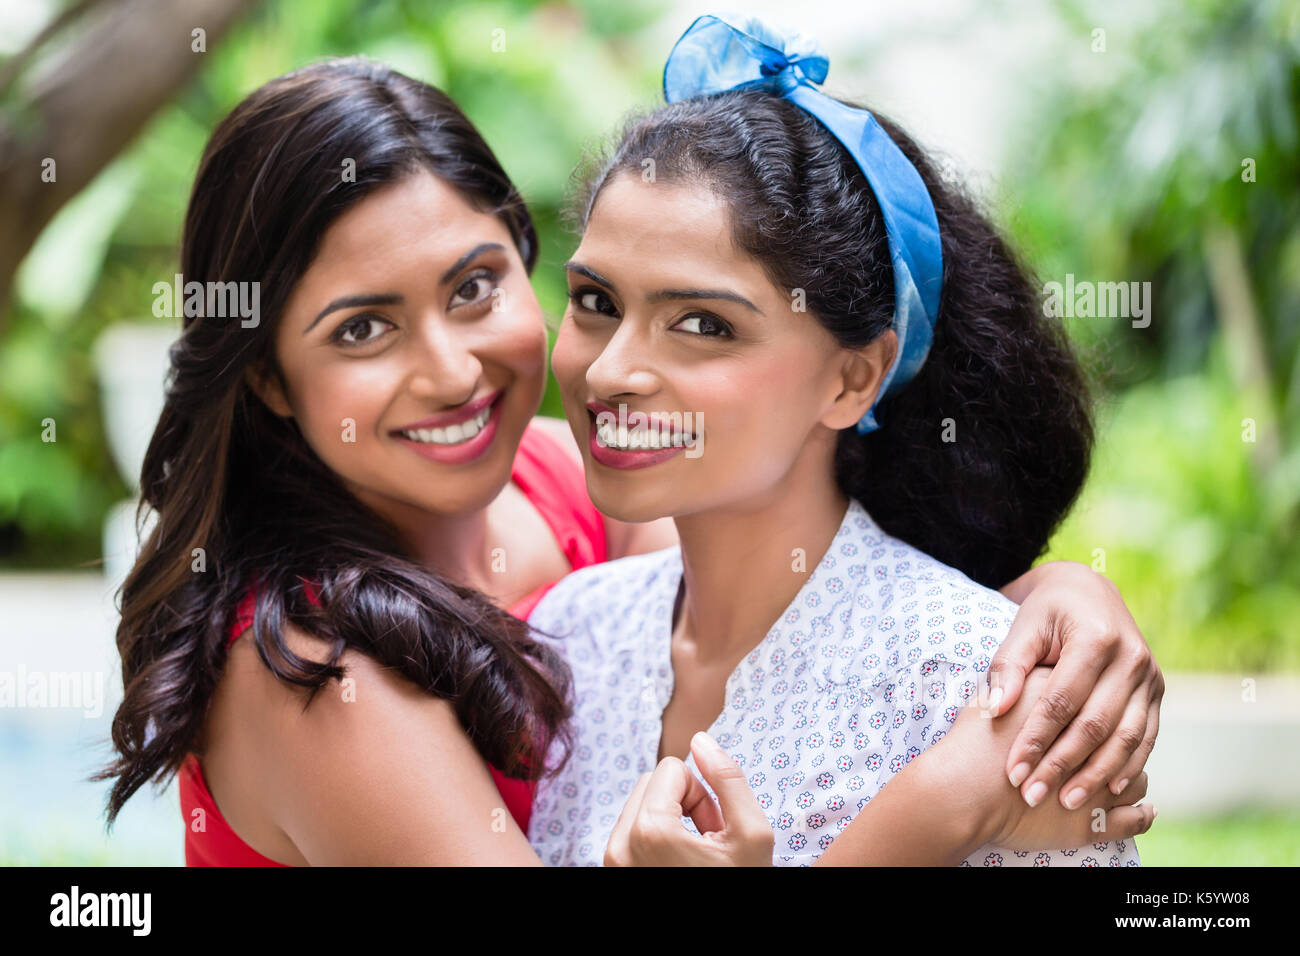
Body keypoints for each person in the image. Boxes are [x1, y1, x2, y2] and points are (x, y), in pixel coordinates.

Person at [98, 55, 1160, 865]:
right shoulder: (313, 666)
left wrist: (1052, 597)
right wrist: (945, 801)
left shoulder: (559, 490)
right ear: (269, 378)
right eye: (362, 329)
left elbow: (765, 580)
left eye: (474, 287)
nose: (452, 372)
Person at [526, 14, 1157, 865]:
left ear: (853, 379)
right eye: (597, 303)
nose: (610, 373)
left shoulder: (986, 688)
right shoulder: (572, 635)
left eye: (703, 324)